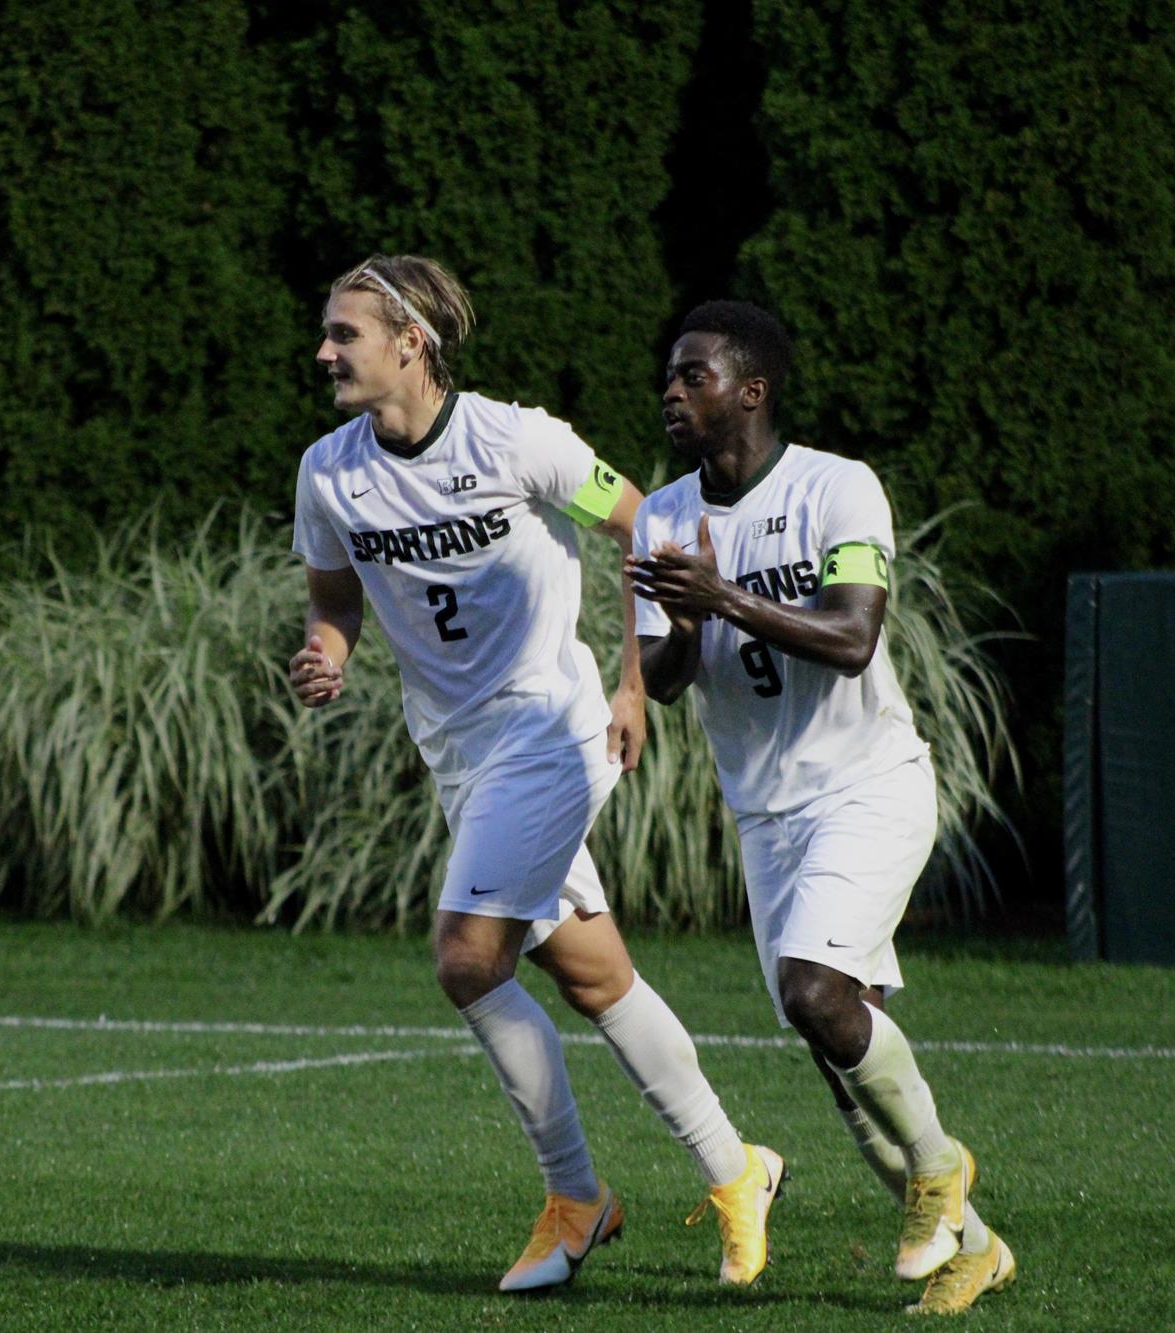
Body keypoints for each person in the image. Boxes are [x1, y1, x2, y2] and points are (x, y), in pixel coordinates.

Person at [288, 256, 783, 1292]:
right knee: (592, 974)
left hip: (555, 732)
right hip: (459, 755)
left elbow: (644, 523)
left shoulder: (518, 439)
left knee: (467, 962)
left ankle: (574, 1197)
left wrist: (635, 681)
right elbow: (331, 598)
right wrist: (327, 652)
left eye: (344, 334)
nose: (324, 351)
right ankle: (737, 1170)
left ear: (409, 344)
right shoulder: (328, 472)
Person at [625, 300, 1017, 1316]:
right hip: (767, 817)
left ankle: (938, 1168)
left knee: (811, 992)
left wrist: (722, 599)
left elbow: (850, 637)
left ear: (749, 390)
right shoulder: (664, 516)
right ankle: (972, 1246)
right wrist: (674, 622)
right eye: (667, 377)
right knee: (840, 1045)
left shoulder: (835, 487)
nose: (672, 391)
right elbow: (667, 681)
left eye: (693, 375)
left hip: (867, 786)